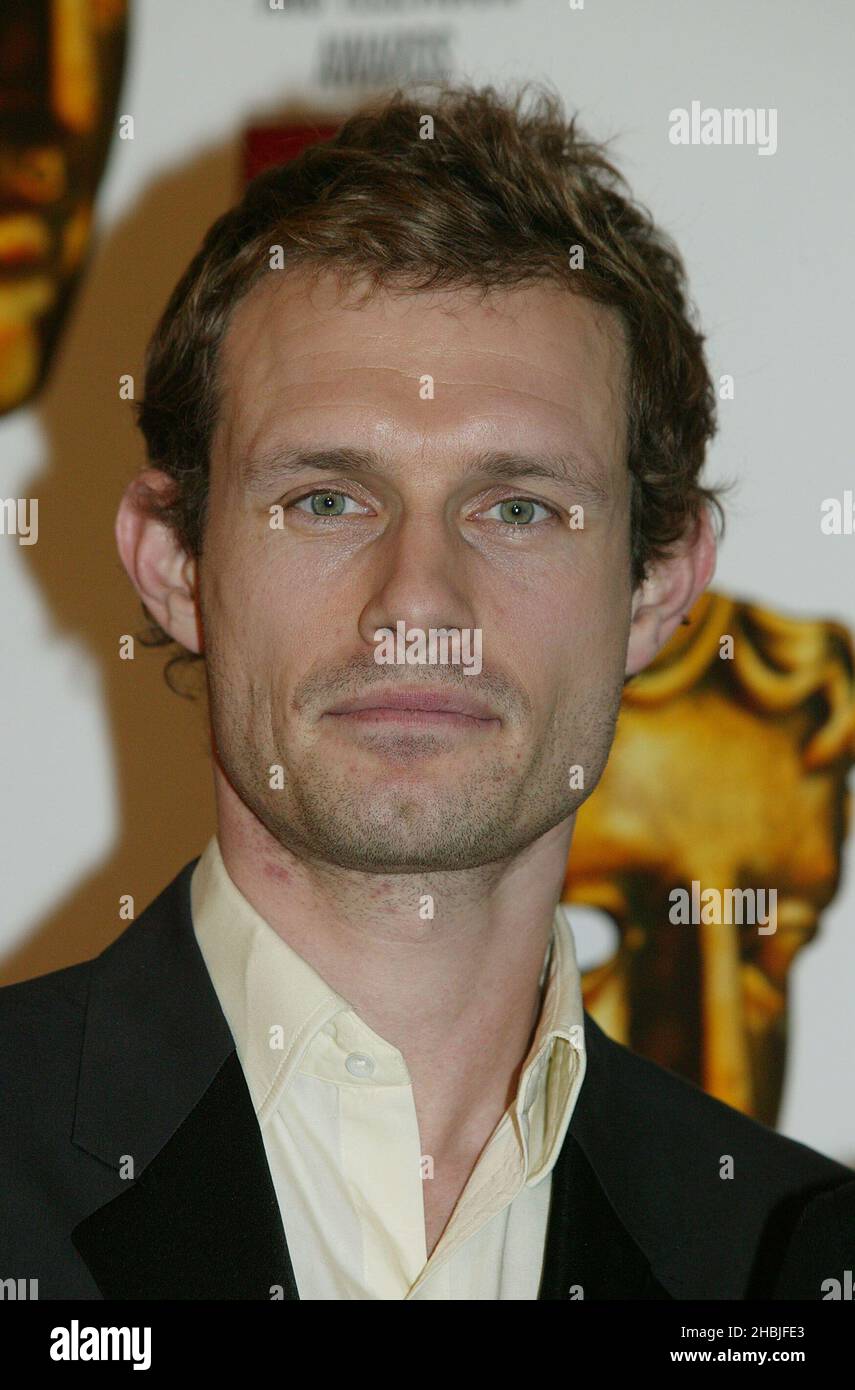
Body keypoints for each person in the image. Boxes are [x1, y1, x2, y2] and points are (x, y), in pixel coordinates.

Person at [1, 82, 850, 1301]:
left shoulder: (787, 1263)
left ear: (659, 588)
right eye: (327, 500)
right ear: (174, 567)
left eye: (518, 508)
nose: (419, 605)